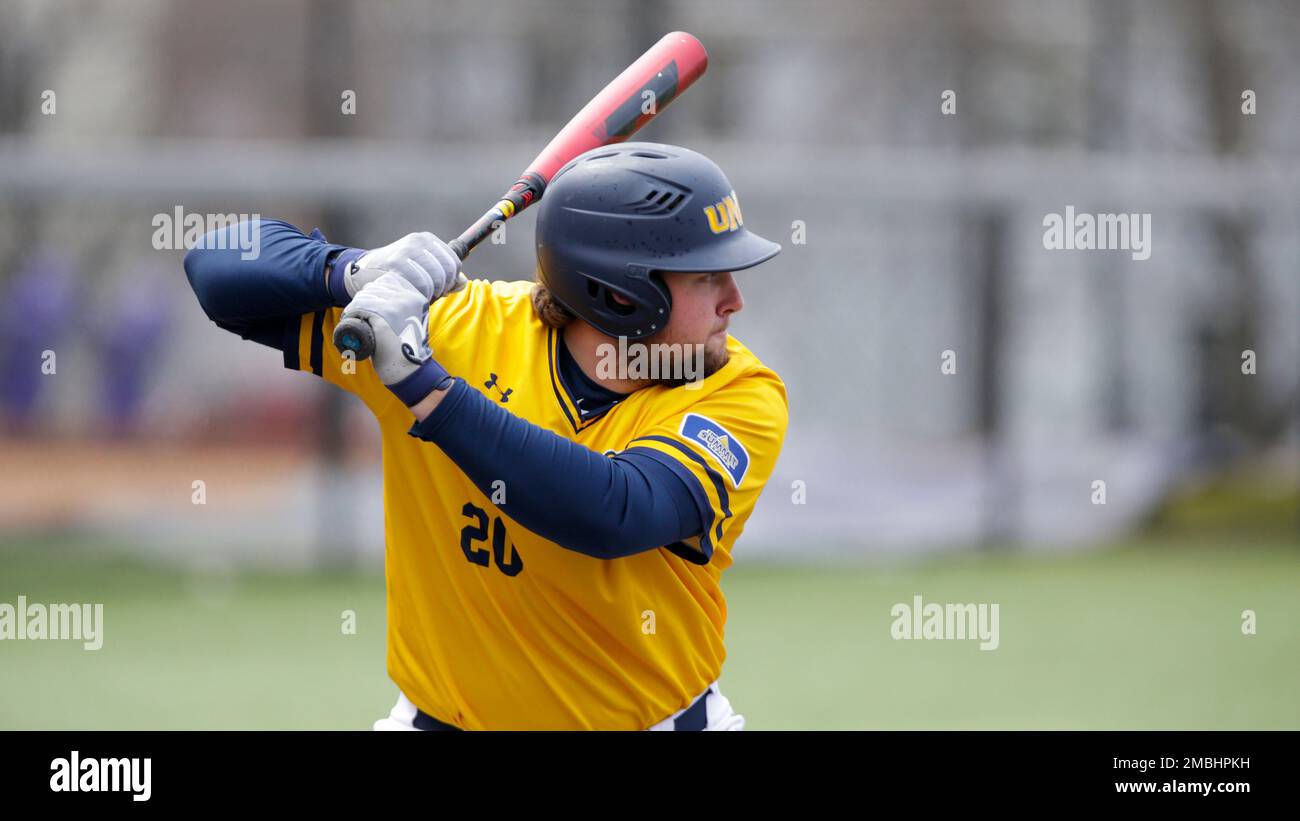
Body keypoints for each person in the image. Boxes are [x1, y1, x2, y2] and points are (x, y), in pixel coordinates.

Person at [184, 142, 788, 730]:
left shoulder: (738, 391)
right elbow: (214, 265)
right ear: (621, 293)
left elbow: (615, 514)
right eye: (705, 277)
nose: (735, 301)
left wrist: (424, 386)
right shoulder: (455, 327)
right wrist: (350, 271)